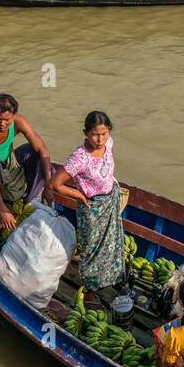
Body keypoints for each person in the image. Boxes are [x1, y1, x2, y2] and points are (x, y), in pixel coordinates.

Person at [49, 111, 125, 307]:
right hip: (92, 207)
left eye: (104, 133)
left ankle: (107, 277)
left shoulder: (109, 143)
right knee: (91, 248)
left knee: (110, 242)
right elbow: (55, 184)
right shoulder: (80, 158)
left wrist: (111, 180)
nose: (100, 140)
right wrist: (79, 195)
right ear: (85, 133)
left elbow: (107, 164)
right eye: (95, 135)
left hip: (110, 201)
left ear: (109, 131)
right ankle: (90, 291)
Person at [0, 93, 52, 232]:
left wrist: (49, 186)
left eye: (7, 120)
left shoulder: (19, 122)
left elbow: (42, 149)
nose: (2, 124)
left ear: (14, 115)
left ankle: (25, 197)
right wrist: (2, 209)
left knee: (35, 153)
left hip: (8, 162)